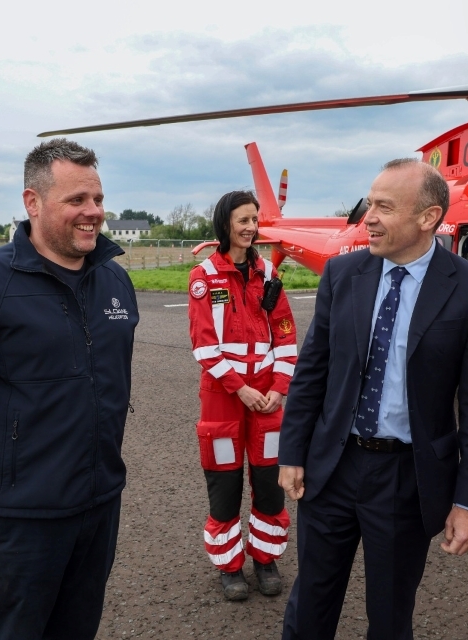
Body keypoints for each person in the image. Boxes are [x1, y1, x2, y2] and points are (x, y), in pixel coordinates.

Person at [0, 139, 138, 639]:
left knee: (77, 628)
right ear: (33, 202)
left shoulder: (115, 282)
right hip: (21, 513)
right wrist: (6, 456)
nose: (93, 212)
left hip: (99, 500)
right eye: (76, 200)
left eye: (97, 199)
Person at [277, 159, 468, 639]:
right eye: (369, 204)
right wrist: (292, 452)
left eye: (384, 207)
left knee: (390, 615)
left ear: (428, 217)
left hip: (407, 479)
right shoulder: (342, 273)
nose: (369, 218)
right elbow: (312, 371)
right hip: (332, 468)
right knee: (310, 604)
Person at [188, 190, 298, 601]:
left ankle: (265, 559)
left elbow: (285, 336)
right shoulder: (204, 277)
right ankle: (229, 565)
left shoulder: (269, 273)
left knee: (270, 482)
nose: (251, 227)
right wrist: (242, 389)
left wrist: (278, 388)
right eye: (243, 220)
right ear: (225, 224)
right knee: (225, 482)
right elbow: (204, 346)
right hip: (223, 397)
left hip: (267, 398)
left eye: (255, 220)